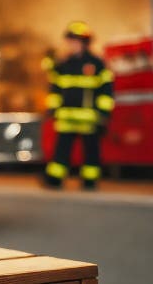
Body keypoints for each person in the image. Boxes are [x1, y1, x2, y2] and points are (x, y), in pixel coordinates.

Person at [44, 21, 114, 190]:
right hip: (66, 118)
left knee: (91, 151)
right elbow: (55, 90)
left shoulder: (97, 64)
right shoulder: (62, 65)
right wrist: (52, 108)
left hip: (89, 119)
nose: (71, 44)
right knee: (61, 151)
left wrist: (103, 113)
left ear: (84, 43)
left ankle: (90, 181)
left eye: (75, 41)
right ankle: (55, 179)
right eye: (70, 40)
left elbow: (106, 91)